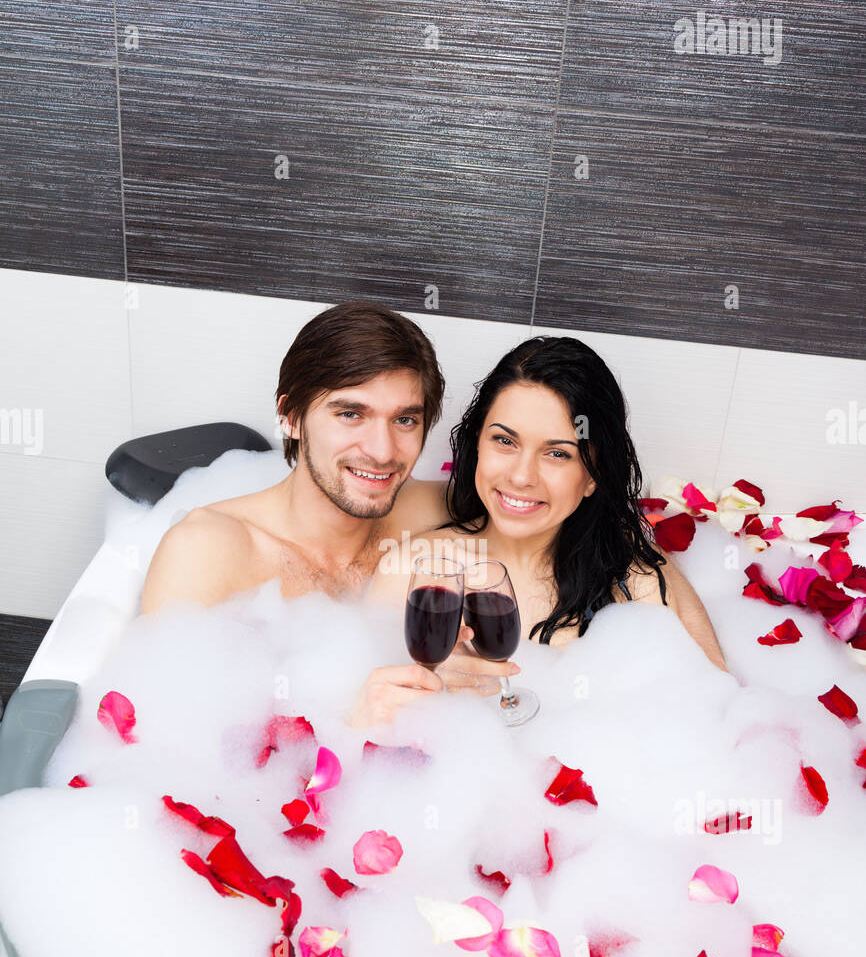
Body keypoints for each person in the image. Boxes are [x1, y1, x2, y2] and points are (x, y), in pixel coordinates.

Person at [140, 299, 509, 720]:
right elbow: (169, 742)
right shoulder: (206, 552)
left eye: (405, 420)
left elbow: (543, 517)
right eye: (351, 414)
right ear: (291, 418)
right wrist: (351, 728)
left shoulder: (432, 511)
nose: (382, 451)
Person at [365, 334, 730, 691]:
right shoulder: (418, 575)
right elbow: (373, 710)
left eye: (557, 453)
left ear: (592, 477)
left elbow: (714, 712)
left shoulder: (636, 582)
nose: (522, 476)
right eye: (505, 441)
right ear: (478, 444)